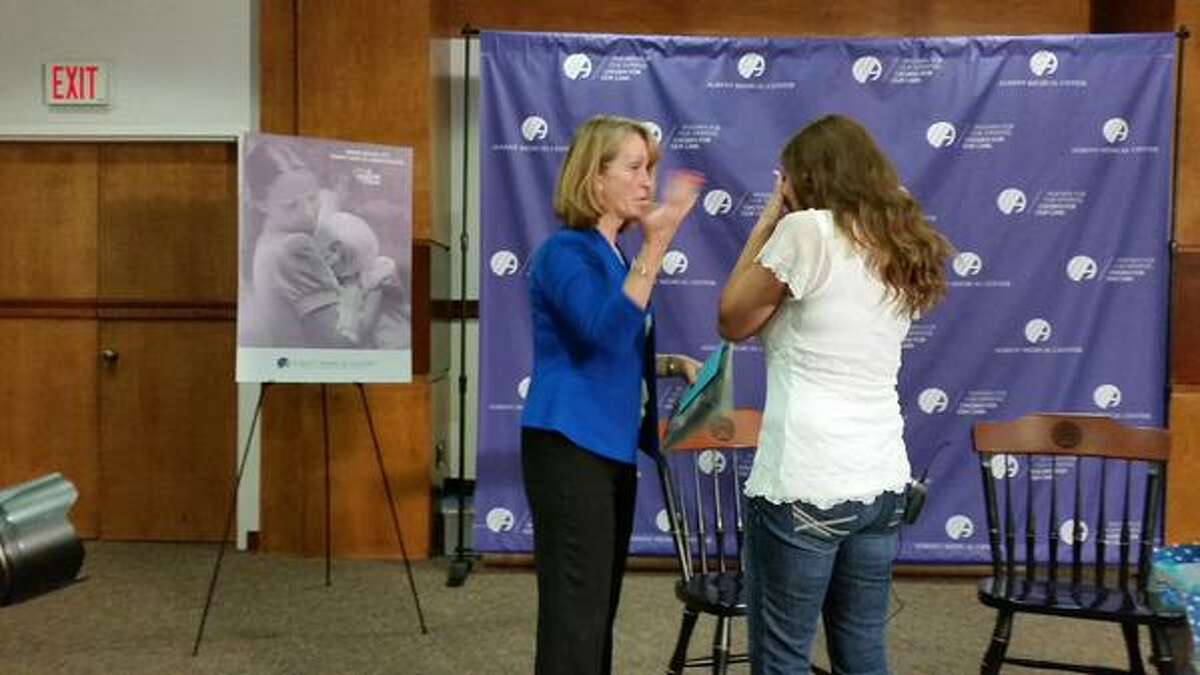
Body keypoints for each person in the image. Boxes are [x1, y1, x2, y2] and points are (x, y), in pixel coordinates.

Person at [717, 114, 953, 674]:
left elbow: (731, 318)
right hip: (881, 481)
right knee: (863, 651)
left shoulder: (806, 233)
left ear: (806, 178)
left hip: (806, 478)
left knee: (782, 658)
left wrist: (769, 220)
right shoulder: (898, 240)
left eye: (787, 177)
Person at [519, 114, 705, 675]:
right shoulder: (564, 253)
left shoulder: (614, 255)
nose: (648, 181)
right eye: (634, 167)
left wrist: (670, 365)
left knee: (596, 612)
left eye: (651, 168)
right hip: (569, 446)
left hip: (608, 450)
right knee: (575, 617)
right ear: (595, 177)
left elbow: (616, 343)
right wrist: (658, 244)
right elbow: (600, 334)